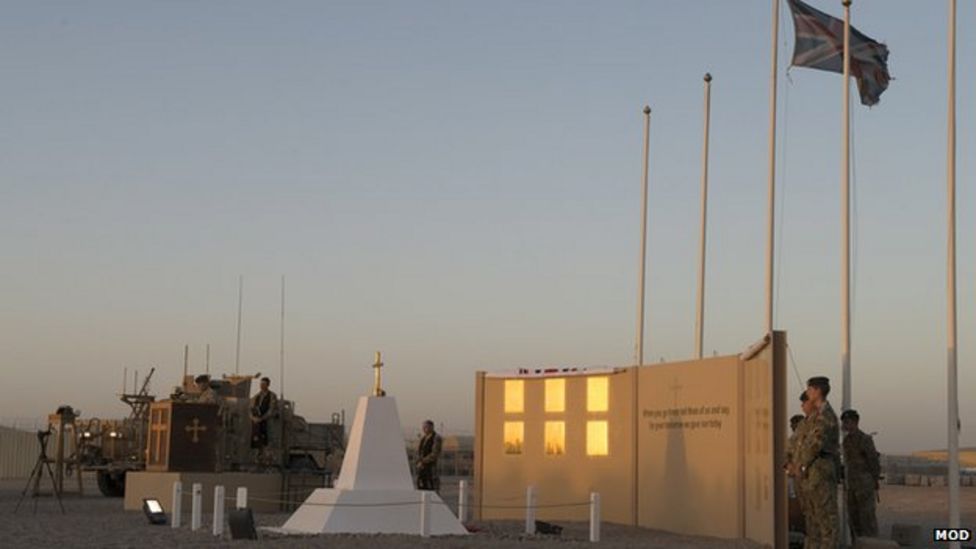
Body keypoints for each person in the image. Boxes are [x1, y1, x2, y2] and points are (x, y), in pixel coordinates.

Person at [796, 376, 840, 549]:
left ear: (817, 391)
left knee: (827, 523)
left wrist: (800, 465)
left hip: (821, 473)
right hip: (812, 475)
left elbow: (815, 444)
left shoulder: (826, 416)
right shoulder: (814, 417)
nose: (807, 393)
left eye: (809, 389)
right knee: (813, 522)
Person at [841, 409, 880, 539]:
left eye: (847, 422)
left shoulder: (865, 439)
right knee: (853, 520)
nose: (844, 425)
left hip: (864, 485)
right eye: (844, 422)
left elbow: (873, 461)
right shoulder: (846, 441)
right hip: (852, 485)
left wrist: (874, 480)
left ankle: (872, 545)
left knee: (867, 520)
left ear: (855, 422)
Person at [250, 377, 279, 451]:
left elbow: (271, 410)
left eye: (264, 384)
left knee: (267, 441)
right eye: (261, 384)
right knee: (256, 441)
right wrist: (253, 418)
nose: (262, 386)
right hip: (256, 424)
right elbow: (250, 409)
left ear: (268, 385)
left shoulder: (272, 396)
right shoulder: (256, 396)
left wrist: (262, 418)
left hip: (268, 422)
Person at [415, 420, 443, 491]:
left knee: (432, 488)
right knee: (421, 487)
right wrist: (419, 461)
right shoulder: (423, 439)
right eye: (423, 427)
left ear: (431, 427)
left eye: (426, 427)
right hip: (422, 468)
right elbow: (419, 452)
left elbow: (435, 453)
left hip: (431, 468)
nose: (424, 429)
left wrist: (423, 461)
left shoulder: (436, 438)